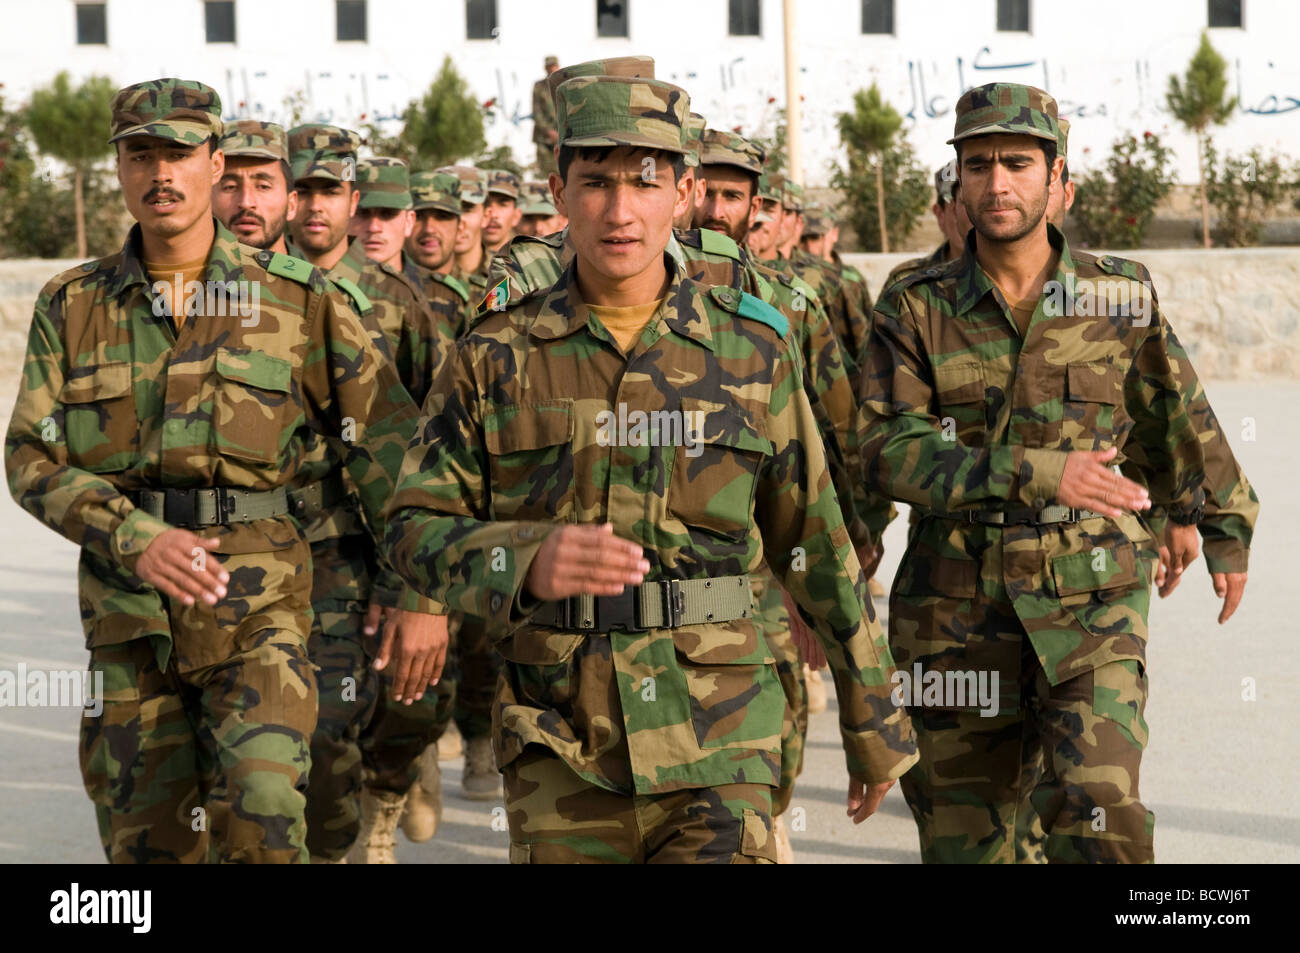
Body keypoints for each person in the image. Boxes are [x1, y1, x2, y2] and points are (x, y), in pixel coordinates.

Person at [382, 72, 917, 864]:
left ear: (685, 190)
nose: (621, 210)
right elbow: (413, 526)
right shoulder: (495, 355)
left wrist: (872, 711)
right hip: (562, 740)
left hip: (722, 730)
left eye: (646, 180)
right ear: (560, 191)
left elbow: (814, 536)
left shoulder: (751, 346)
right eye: (595, 182)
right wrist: (525, 558)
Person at [5, 79, 428, 864]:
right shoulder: (74, 303)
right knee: (151, 846)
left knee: (265, 809)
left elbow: (394, 452)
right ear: (121, 170)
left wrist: (418, 590)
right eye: (140, 154)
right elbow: (29, 455)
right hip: (131, 620)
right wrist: (131, 535)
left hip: (260, 608)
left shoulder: (298, 299)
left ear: (214, 162)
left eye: (177, 152)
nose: (159, 172)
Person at [858, 82, 1213, 863]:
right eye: (977, 164)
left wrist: (1203, 518)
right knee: (968, 840)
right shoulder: (913, 306)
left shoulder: (1119, 293)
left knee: (1101, 807)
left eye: (1018, 162)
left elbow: (1172, 412)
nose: (997, 182)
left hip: (1089, 600)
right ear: (958, 180)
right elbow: (886, 449)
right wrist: (1034, 471)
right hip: (953, 611)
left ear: (1059, 182)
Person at [281, 125, 449, 864]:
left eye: (330, 191)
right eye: (304, 189)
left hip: (364, 545)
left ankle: (390, 787)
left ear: (353, 200)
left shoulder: (398, 303)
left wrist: (406, 575)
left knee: (372, 710)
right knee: (300, 730)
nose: (316, 207)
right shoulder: (248, 291)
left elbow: (430, 442)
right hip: (272, 547)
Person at [211, 119, 296, 253]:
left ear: (292, 205)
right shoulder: (179, 273)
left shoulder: (316, 275)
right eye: (230, 187)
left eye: (263, 186)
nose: (246, 203)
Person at [532, 55, 560, 175]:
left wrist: (561, 133)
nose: (551, 69)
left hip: (562, 137)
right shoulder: (539, 86)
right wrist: (549, 131)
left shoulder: (565, 85)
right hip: (544, 138)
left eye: (554, 66)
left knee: (562, 172)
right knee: (545, 173)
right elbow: (536, 112)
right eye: (549, 66)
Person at [481, 169, 521, 254]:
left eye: (503, 204)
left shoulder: (529, 263)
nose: (493, 214)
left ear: (516, 216)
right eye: (485, 203)